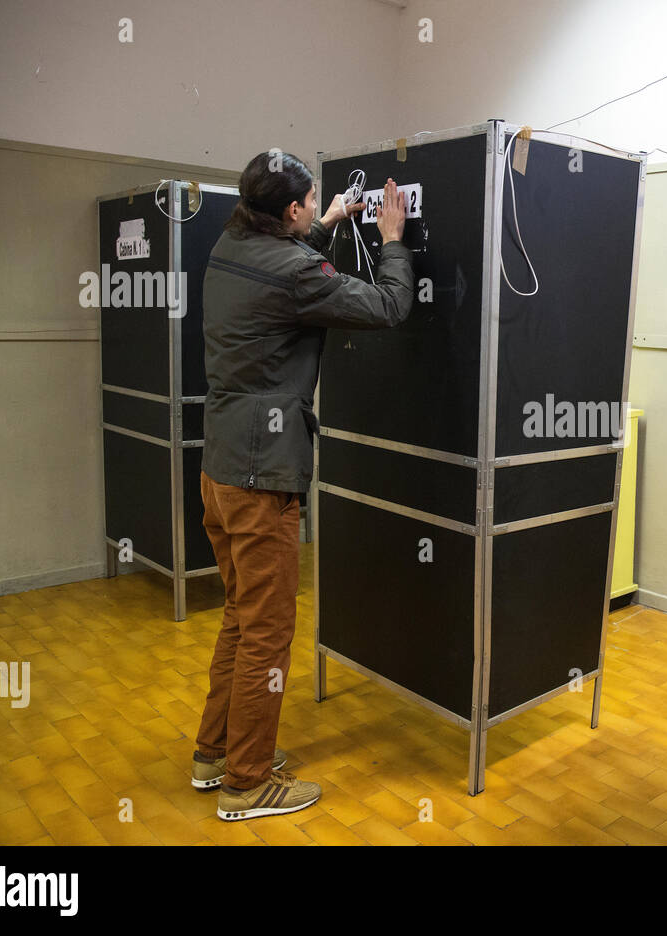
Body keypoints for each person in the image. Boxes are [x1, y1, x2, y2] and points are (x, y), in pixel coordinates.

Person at [189, 150, 411, 820]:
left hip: (220, 468)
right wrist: (392, 241)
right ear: (290, 210)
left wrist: (327, 225)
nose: (319, 208)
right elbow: (388, 305)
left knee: (240, 617)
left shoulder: (230, 244)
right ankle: (248, 784)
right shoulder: (293, 269)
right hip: (263, 478)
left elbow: (281, 273)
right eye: (314, 202)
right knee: (268, 632)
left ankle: (215, 753)